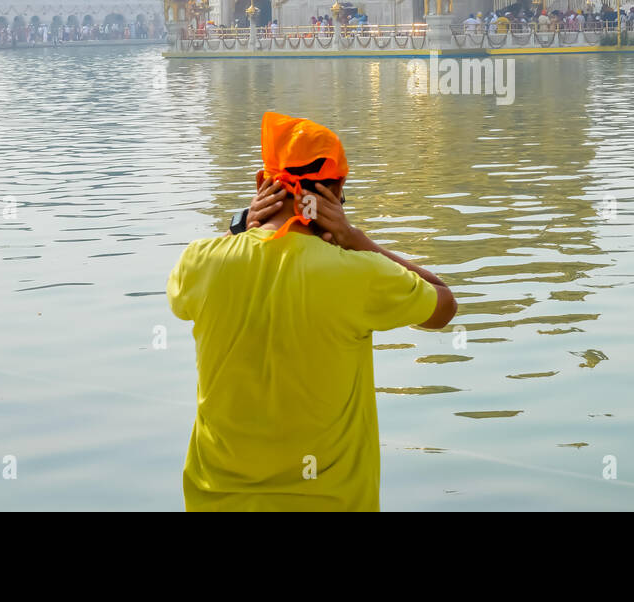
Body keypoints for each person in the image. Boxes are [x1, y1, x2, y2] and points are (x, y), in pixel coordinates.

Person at [166, 111, 456, 512]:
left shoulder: (199, 263)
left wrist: (240, 227)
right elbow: (443, 305)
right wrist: (356, 239)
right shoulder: (360, 274)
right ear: (336, 194)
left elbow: (189, 292)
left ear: (261, 184)